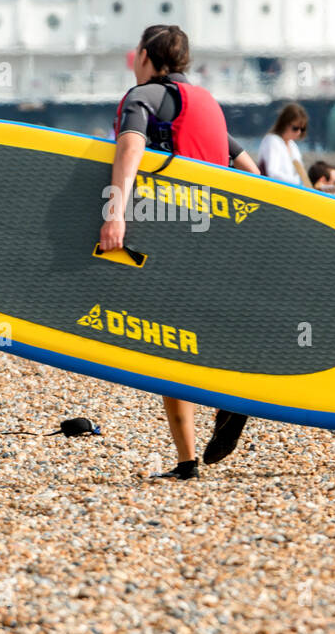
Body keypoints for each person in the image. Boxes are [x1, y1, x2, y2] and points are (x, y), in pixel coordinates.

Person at [98, 25, 260, 480]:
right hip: (213, 236)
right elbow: (249, 169)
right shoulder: (207, 105)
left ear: (146, 56)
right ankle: (228, 398)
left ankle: (188, 460)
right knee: (191, 333)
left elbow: (129, 147)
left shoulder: (142, 96)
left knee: (165, 341)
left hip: (168, 236)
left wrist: (115, 213)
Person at [256, 103, 309, 185]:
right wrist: (298, 182)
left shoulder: (293, 146)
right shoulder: (272, 140)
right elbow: (272, 173)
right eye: (295, 128)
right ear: (284, 124)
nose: (299, 132)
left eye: (302, 129)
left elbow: (300, 173)